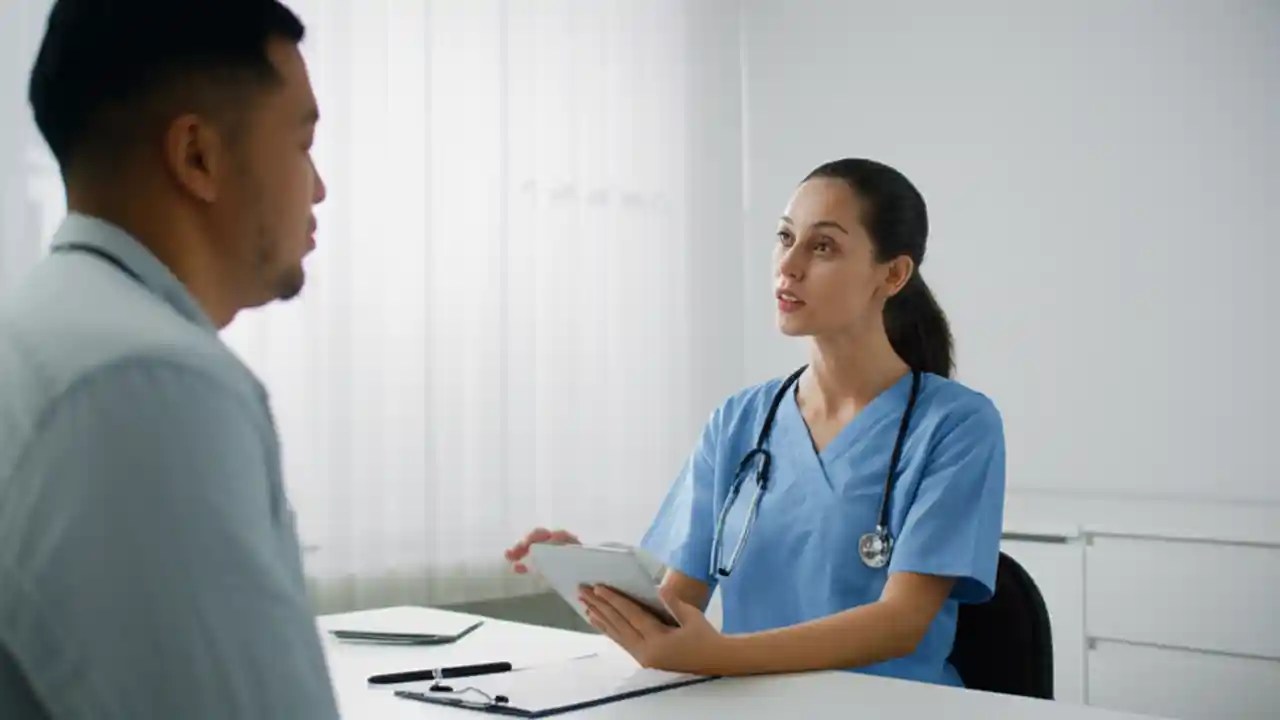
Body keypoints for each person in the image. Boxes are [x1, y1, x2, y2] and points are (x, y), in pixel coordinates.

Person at [506, 158, 1005, 687]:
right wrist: (595, 578)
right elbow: (677, 608)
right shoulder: (740, 421)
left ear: (893, 274)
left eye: (823, 246)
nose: (788, 265)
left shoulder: (956, 425)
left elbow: (899, 625)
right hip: (753, 704)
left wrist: (718, 656)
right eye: (785, 237)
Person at [0, 0, 338, 717]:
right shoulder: (145, 386)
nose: (318, 188)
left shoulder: (43, 334)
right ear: (197, 157)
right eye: (303, 143)